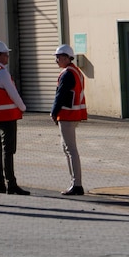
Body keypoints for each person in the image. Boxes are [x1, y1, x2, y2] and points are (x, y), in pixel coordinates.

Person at [0, 41, 29, 196]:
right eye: (5, 54)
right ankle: (11, 183)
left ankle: (0, 183)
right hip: (7, 116)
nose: (7, 56)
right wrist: (23, 107)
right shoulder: (2, 72)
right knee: (8, 150)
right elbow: (13, 93)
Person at [51, 43, 88, 196]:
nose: (56, 61)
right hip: (73, 115)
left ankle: (77, 184)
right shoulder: (76, 71)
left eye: (58, 57)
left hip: (67, 115)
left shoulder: (67, 73)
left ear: (67, 58)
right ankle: (75, 183)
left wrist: (53, 112)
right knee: (68, 149)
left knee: (70, 150)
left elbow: (60, 95)